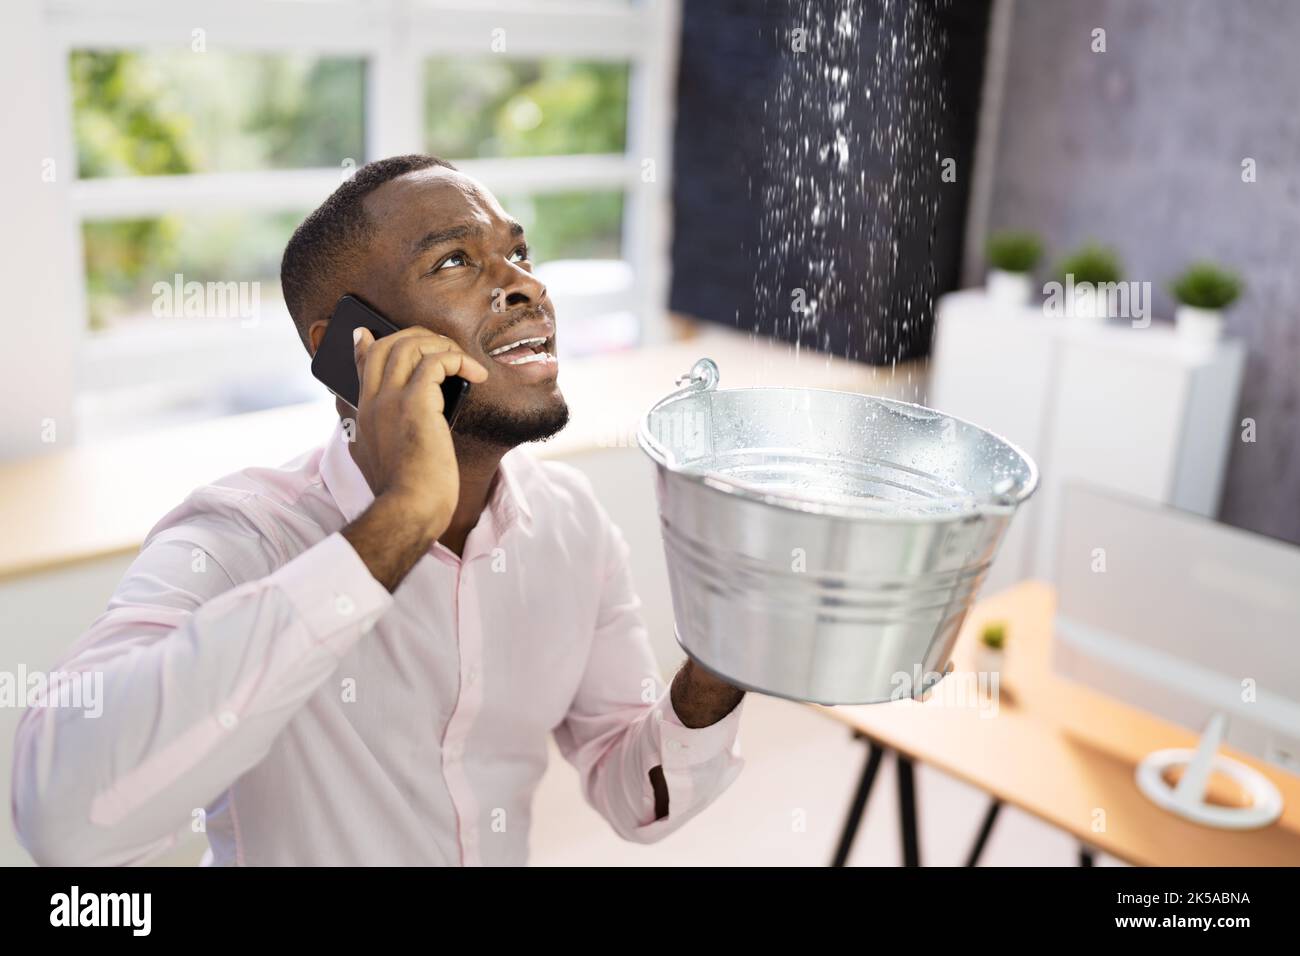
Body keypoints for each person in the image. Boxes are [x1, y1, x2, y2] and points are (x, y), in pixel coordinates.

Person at [12, 154, 747, 866]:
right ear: (350, 348)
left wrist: (729, 644)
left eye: (519, 253)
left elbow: (635, 792)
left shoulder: (570, 523)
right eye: (455, 261)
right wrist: (400, 521)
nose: (525, 285)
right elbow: (63, 822)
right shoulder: (237, 538)